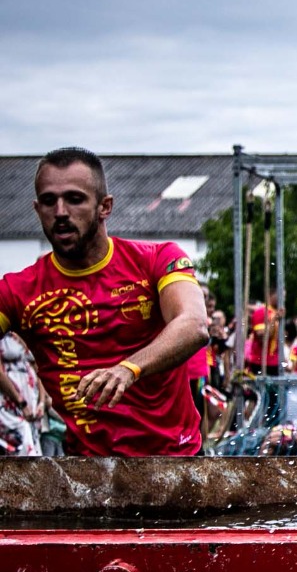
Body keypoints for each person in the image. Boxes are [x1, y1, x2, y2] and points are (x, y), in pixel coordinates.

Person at [0, 147, 208, 456]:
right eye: (48, 201)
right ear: (36, 208)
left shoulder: (157, 259)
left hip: (173, 460)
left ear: (104, 207)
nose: (60, 212)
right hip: (87, 470)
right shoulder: (17, 290)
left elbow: (194, 325)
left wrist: (127, 369)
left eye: (74, 199)